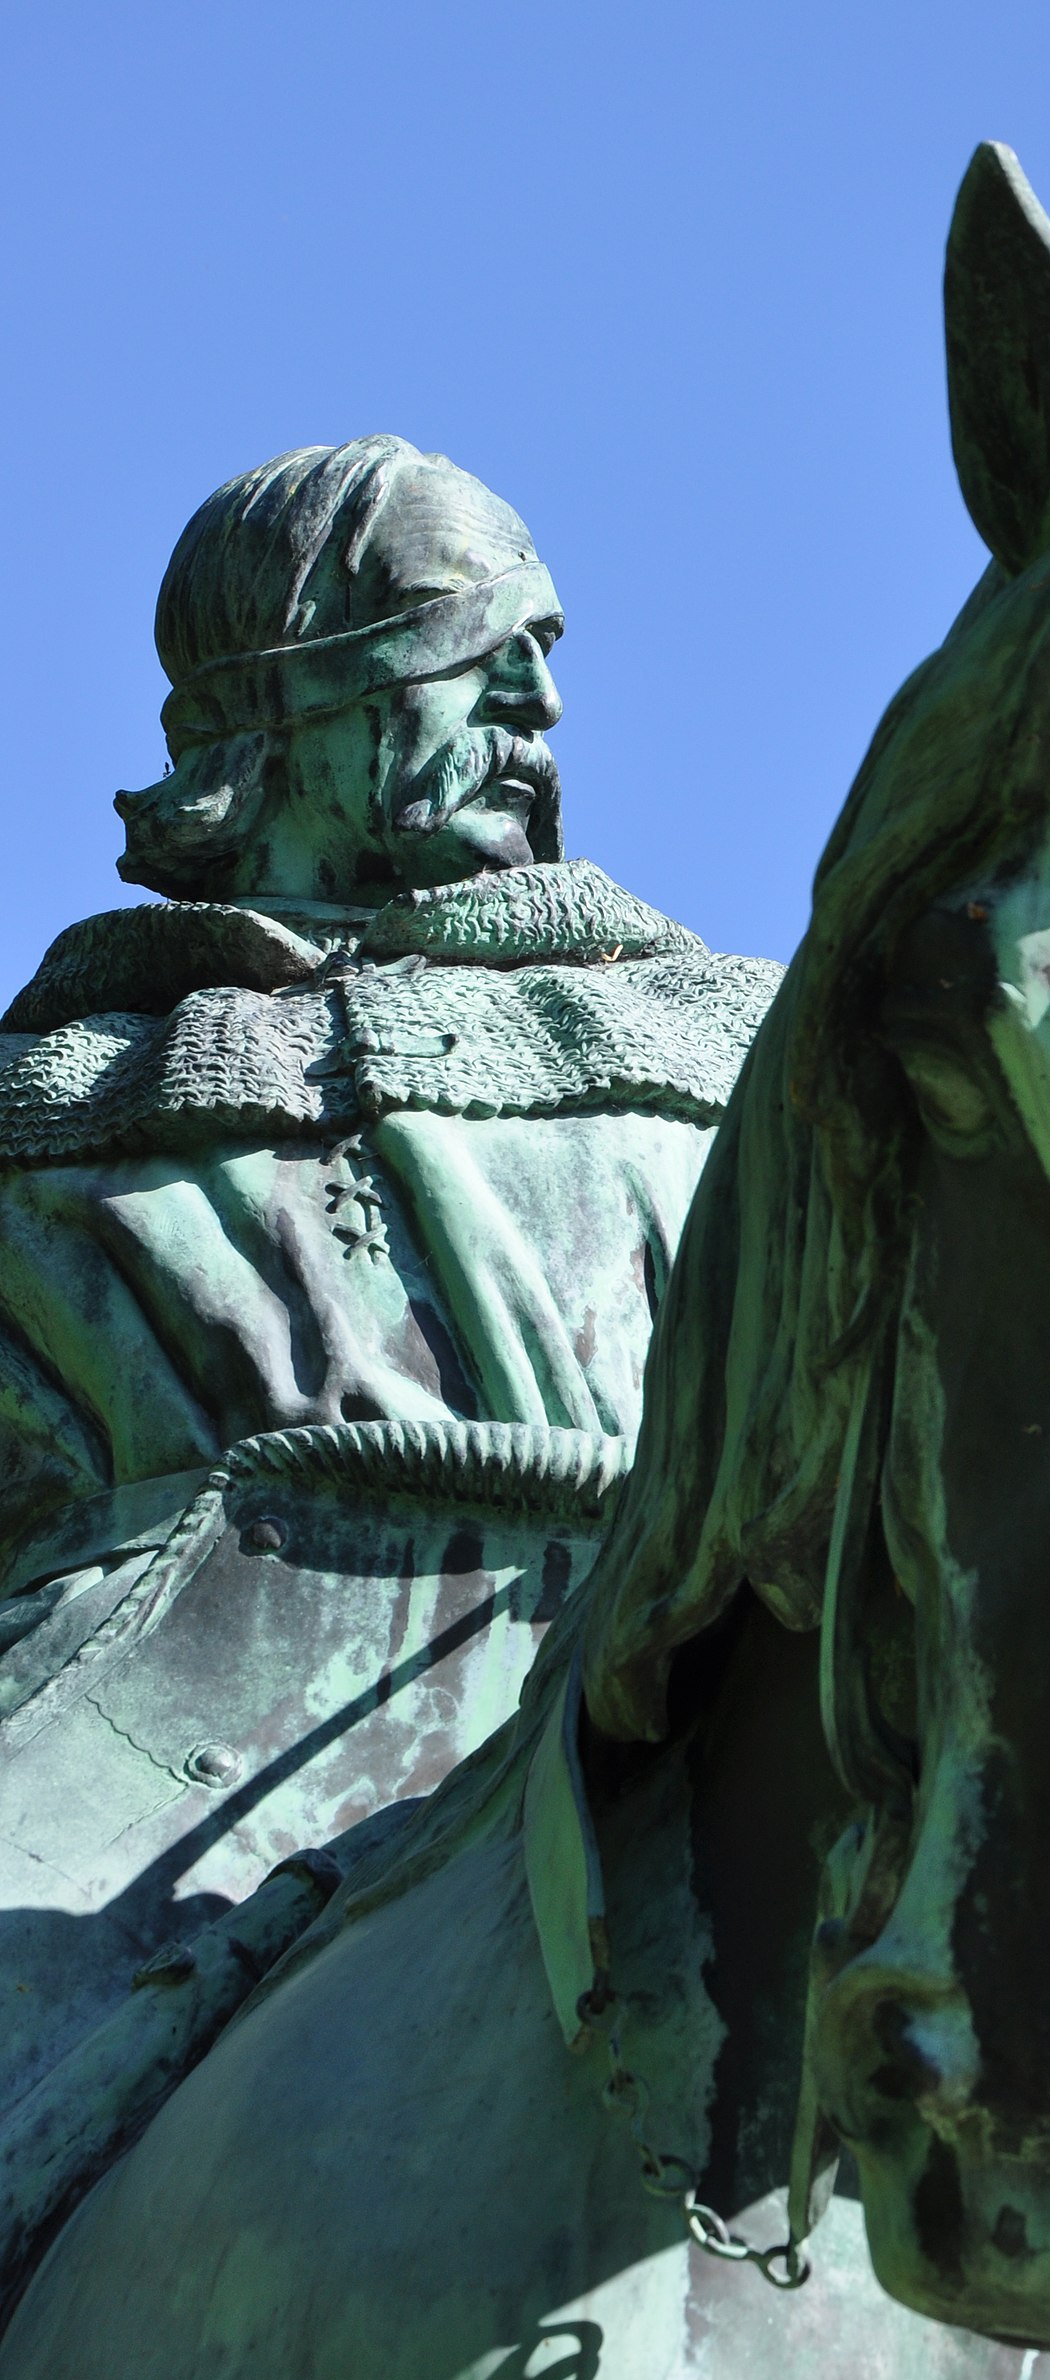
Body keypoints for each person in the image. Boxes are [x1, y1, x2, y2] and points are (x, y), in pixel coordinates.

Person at [0, 436, 777, 2177]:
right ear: (275, 696)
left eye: (547, 644)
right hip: (119, 1775)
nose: (535, 697)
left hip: (689, 1712)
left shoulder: (739, 1060)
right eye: (462, 633)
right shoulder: (51, 1115)